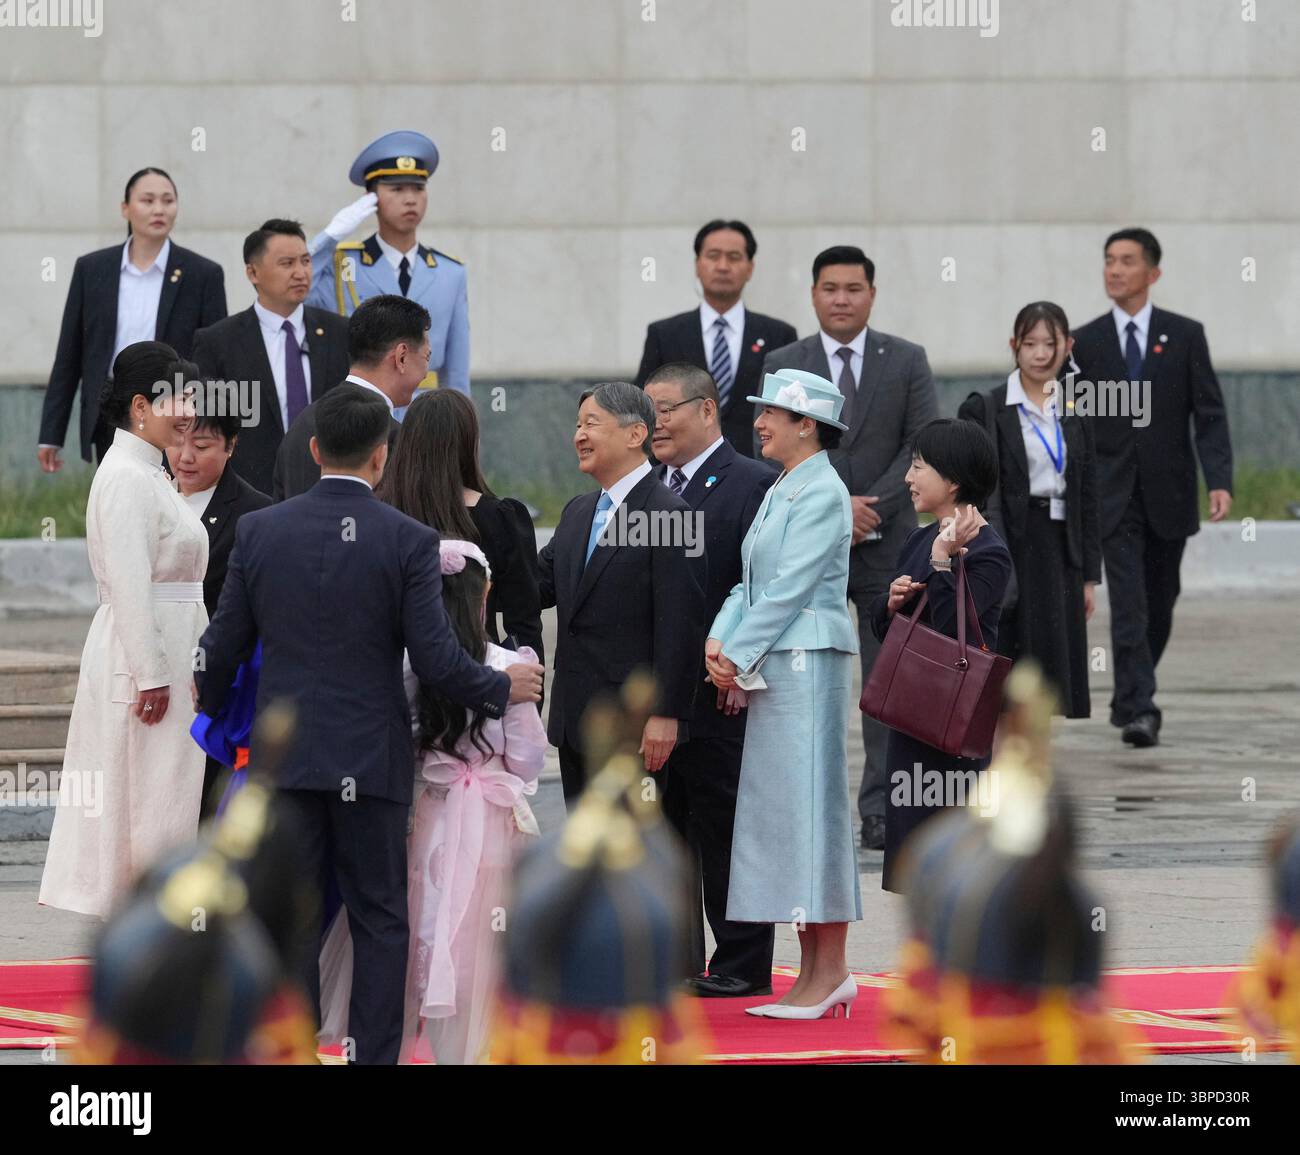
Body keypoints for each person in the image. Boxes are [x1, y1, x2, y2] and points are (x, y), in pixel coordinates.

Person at [195, 384, 544, 1065]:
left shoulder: (262, 530)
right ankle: (372, 1055)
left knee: (293, 914)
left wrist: (211, 704)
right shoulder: (407, 539)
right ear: (381, 455)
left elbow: (222, 642)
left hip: (286, 761)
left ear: (317, 448)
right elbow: (438, 658)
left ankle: (292, 1047)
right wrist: (502, 687)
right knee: (380, 916)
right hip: (371, 759)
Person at [760, 245, 938, 851]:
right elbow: (773, 442)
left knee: (885, 686)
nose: (842, 298)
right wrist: (839, 506)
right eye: (830, 288)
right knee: (806, 679)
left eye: (854, 288)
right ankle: (805, 805)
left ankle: (883, 808)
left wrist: (871, 508)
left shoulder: (906, 360)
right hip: (809, 551)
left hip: (887, 550)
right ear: (813, 294)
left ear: (872, 293)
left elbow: (920, 441)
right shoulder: (786, 363)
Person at [705, 368, 862, 1020]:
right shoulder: (784, 487)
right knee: (787, 815)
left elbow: (790, 588)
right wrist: (720, 647)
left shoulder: (823, 492)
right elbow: (749, 587)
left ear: (808, 425)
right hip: (776, 663)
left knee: (811, 811)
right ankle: (812, 972)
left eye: (773, 412)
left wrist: (739, 655)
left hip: (807, 664)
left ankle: (829, 972)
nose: (760, 421)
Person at [39, 342, 209, 918]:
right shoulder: (127, 477)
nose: (188, 410)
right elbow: (132, 583)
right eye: (178, 397)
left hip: (170, 650)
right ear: (141, 405)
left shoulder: (149, 471)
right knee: (148, 805)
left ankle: (157, 931)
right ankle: (150, 934)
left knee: (163, 802)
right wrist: (153, 674)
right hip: (145, 663)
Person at [642, 363, 776, 998]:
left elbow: (764, 586)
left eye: (667, 409)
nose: (655, 422)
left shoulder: (752, 483)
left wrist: (744, 663)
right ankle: (672, 956)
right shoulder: (644, 488)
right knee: (662, 824)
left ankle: (742, 962)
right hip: (661, 689)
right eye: (649, 410)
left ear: (707, 411)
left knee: (725, 826)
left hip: (723, 688)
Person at [1071, 228, 1233, 748]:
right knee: (1131, 605)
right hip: (1112, 496)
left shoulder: (1185, 335)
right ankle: (1141, 707)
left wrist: (1220, 480)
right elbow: (1073, 420)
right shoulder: (1086, 342)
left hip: (1170, 491)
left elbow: (1208, 413)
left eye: (1126, 261)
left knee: (1162, 601)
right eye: (1108, 261)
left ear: (1153, 273)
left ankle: (1130, 694)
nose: (1114, 270)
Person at [537, 382, 706, 804]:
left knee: (635, 860)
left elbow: (681, 624)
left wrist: (665, 713)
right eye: (577, 424)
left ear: (635, 435)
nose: (579, 435)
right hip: (575, 724)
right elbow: (538, 585)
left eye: (591, 423)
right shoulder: (578, 511)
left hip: (635, 728)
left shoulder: (670, 514)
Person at [869, 418, 1012, 892]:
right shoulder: (917, 537)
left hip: (953, 723)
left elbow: (962, 635)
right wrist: (889, 602)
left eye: (918, 466)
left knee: (956, 865)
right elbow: (893, 631)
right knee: (914, 861)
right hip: (911, 716)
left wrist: (943, 561)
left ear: (952, 480)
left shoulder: (989, 552)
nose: (908, 478)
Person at [957, 302, 1102, 717]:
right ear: (1014, 346)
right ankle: (999, 747)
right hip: (1009, 539)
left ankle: (1036, 746)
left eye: (1050, 344)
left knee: (1054, 657)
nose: (1040, 354)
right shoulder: (986, 408)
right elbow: (969, 488)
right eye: (1030, 343)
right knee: (1007, 650)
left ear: (1067, 346)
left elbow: (1086, 493)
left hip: (1060, 545)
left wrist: (1089, 575)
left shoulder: (1076, 409)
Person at [38, 168, 227, 469]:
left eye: (167, 201)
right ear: (125, 208)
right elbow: (70, 352)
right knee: (119, 496)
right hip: (113, 410)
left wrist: (212, 423)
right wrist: (51, 433)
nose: (158, 209)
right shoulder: (92, 269)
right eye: (147, 200)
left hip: (175, 410)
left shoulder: (202, 274)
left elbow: (215, 357)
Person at [377, 388, 544, 664]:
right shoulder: (501, 518)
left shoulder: (383, 513)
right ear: (468, 443)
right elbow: (524, 623)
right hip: (479, 676)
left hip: (396, 677)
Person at [191, 219, 350, 496]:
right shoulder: (218, 342)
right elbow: (208, 427)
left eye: (305, 261)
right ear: (253, 272)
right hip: (251, 494)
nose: (301, 273)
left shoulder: (340, 333)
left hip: (329, 488)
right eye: (287, 264)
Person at [307, 130, 469, 397]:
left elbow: (457, 370)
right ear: (372, 199)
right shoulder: (344, 265)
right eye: (396, 189)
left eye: (418, 188)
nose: (410, 199)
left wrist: (463, 429)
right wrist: (329, 238)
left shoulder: (450, 273)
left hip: (427, 414)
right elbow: (296, 290)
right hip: (363, 411)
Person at [167, 408, 271, 817]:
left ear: (231, 446)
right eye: (177, 441)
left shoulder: (256, 514)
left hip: (215, 681)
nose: (185, 456)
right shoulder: (149, 492)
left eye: (203, 445)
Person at [634, 219, 797, 457]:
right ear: (697, 265)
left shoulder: (779, 335)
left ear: (750, 267)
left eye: (733, 257)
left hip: (759, 468)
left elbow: (790, 411)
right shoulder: (665, 334)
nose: (722, 266)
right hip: (680, 469)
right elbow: (642, 407)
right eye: (713, 256)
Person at [272, 294, 428, 501]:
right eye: (427, 357)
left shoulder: (301, 423)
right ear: (401, 357)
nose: (426, 372)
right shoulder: (391, 437)